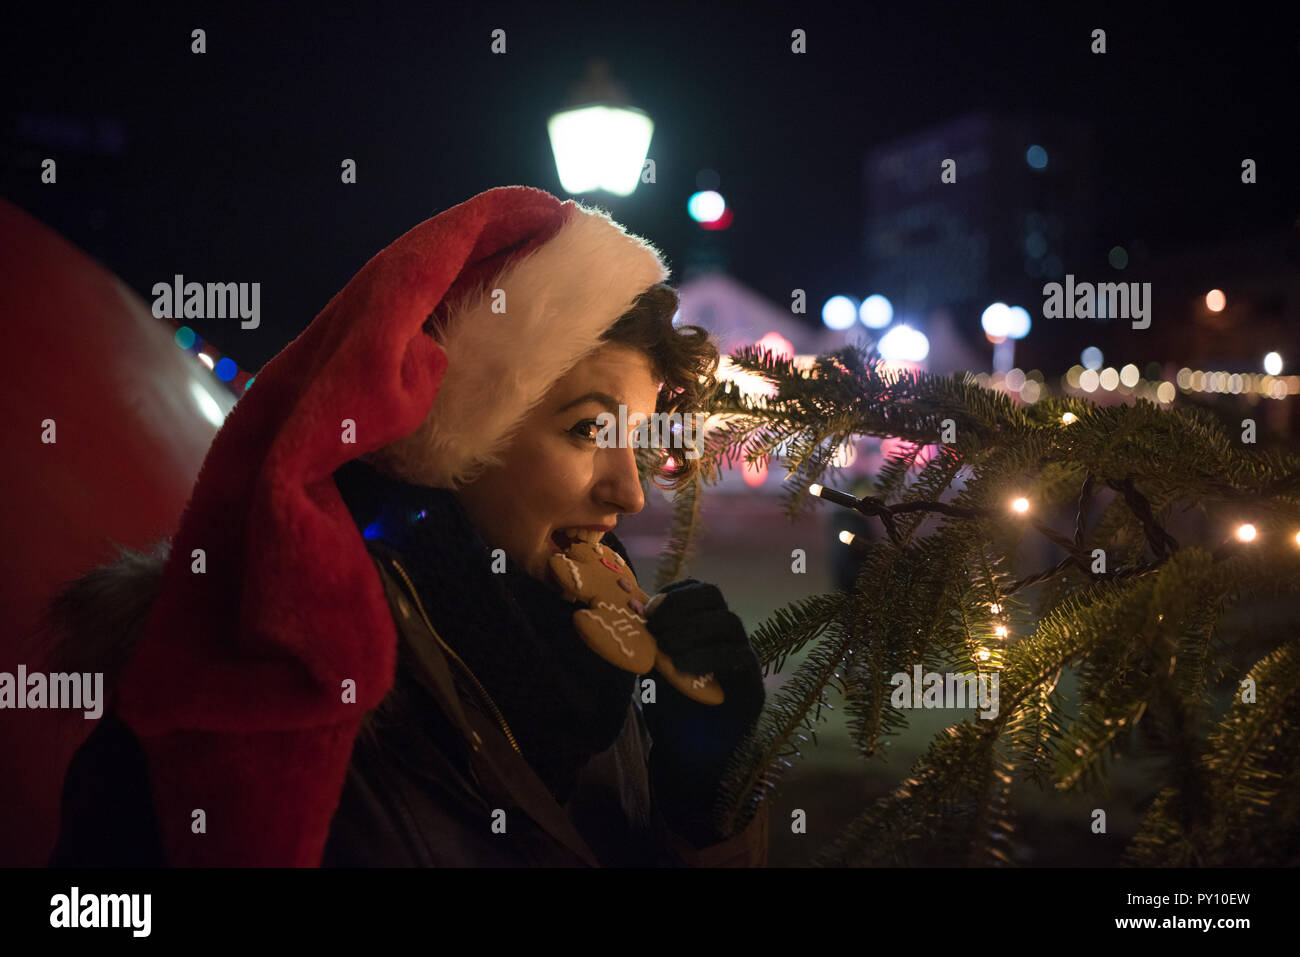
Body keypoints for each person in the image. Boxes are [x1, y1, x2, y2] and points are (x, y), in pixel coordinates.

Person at [47, 185, 770, 867]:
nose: (631, 492)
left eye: (633, 437)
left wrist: (703, 806)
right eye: (586, 428)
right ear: (459, 434)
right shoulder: (240, 694)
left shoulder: (604, 664)